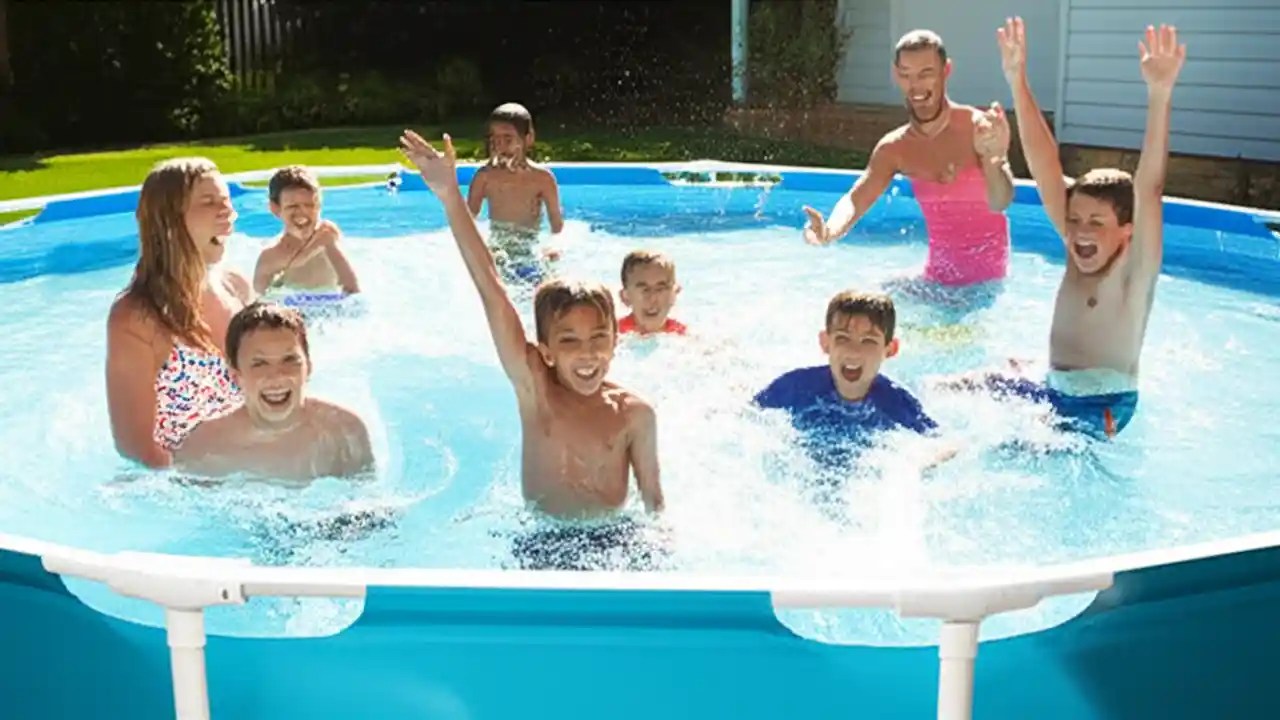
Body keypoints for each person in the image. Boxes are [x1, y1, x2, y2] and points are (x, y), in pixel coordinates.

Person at [399, 129, 664, 528]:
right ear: (546, 350)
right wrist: (451, 196)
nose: (588, 353)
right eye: (569, 341)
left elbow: (654, 505)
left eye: (598, 338)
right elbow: (491, 288)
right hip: (541, 541)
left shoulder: (636, 414)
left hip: (613, 542)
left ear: (615, 341)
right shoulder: (534, 385)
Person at [941, 19, 1186, 440]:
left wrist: (1160, 94)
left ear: (1127, 230)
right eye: (1074, 220)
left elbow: (1150, 186)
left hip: (1102, 406)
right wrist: (1017, 80)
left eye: (1095, 223)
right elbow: (1045, 167)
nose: (1080, 232)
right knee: (945, 390)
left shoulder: (1133, 271)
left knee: (1005, 447)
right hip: (1053, 387)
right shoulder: (1078, 247)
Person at [802, 30, 1015, 289]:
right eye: (906, 75)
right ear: (896, 75)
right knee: (860, 304)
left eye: (926, 73)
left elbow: (1001, 201)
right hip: (935, 279)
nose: (915, 86)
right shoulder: (895, 148)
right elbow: (856, 199)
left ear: (946, 71)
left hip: (987, 286)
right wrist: (830, 231)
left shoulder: (978, 129)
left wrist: (993, 161)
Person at [106, 157, 253, 468]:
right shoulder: (138, 317)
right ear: (169, 220)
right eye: (209, 202)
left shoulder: (237, 288)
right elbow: (136, 444)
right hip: (196, 485)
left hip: (259, 459)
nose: (228, 211)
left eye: (226, 200)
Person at [173, 301, 374, 481]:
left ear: (309, 367)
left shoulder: (345, 433)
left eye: (289, 360)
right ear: (236, 376)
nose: (277, 376)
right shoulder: (203, 447)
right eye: (259, 363)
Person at [754, 290, 944, 469]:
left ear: (890, 349)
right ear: (825, 342)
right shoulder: (797, 387)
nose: (854, 352)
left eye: (868, 341)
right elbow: (748, 415)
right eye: (843, 339)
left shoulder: (894, 401)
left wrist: (922, 463)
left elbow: (942, 443)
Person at [466, 103, 565, 284]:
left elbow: (557, 223)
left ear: (528, 138)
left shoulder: (542, 178)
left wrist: (553, 246)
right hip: (498, 248)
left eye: (508, 139)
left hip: (529, 247)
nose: (500, 146)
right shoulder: (485, 178)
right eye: (495, 139)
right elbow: (467, 219)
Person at [252, 165, 361, 301]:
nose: (302, 212)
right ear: (275, 209)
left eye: (309, 205)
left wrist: (329, 245)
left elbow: (354, 291)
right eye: (292, 206)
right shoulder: (270, 257)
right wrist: (301, 258)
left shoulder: (327, 234)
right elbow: (258, 306)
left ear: (319, 205)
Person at [618, 249, 687, 336]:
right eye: (645, 290)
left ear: (674, 294)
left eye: (660, 289)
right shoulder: (613, 335)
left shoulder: (684, 337)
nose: (652, 298)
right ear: (625, 297)